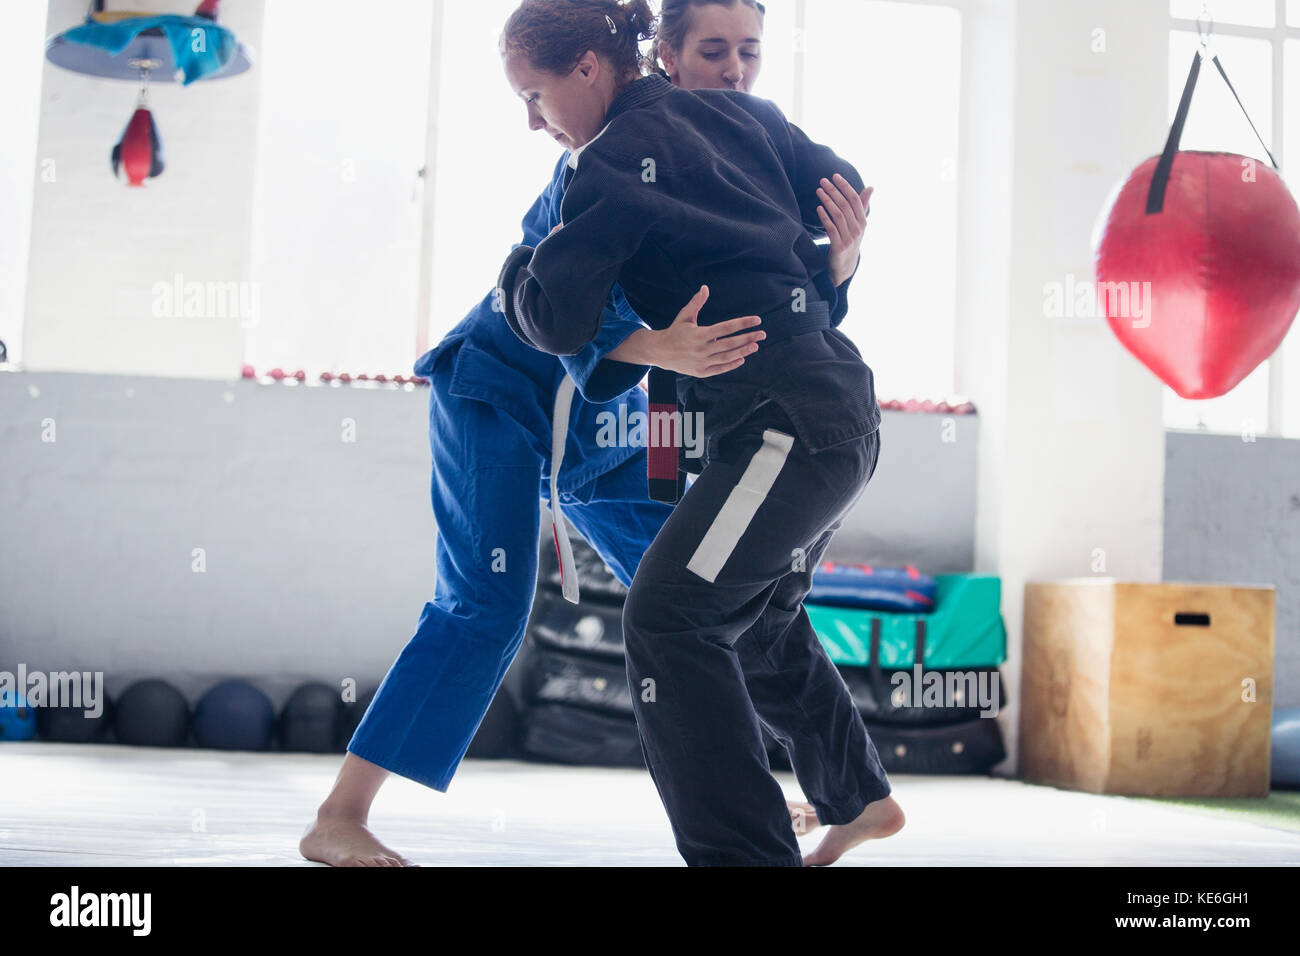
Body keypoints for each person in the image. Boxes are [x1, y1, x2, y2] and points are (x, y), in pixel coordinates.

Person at [300, 0, 871, 868]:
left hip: (603, 422)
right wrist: (641, 345)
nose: (734, 73)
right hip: (499, 389)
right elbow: (542, 298)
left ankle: (831, 794)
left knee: (715, 598)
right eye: (714, 52)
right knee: (488, 606)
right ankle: (341, 813)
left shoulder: (725, 148)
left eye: (749, 54)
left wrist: (838, 263)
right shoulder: (599, 162)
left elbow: (750, 303)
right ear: (662, 64)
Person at [499, 0, 904, 866]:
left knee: (670, 618)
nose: (533, 120)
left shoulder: (606, 161)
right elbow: (836, 181)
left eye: (535, 96)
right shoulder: (746, 118)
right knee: (753, 623)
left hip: (780, 430)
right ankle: (858, 800)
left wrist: (511, 279)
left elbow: (558, 315)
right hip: (832, 413)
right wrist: (827, 259)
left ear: (588, 70)